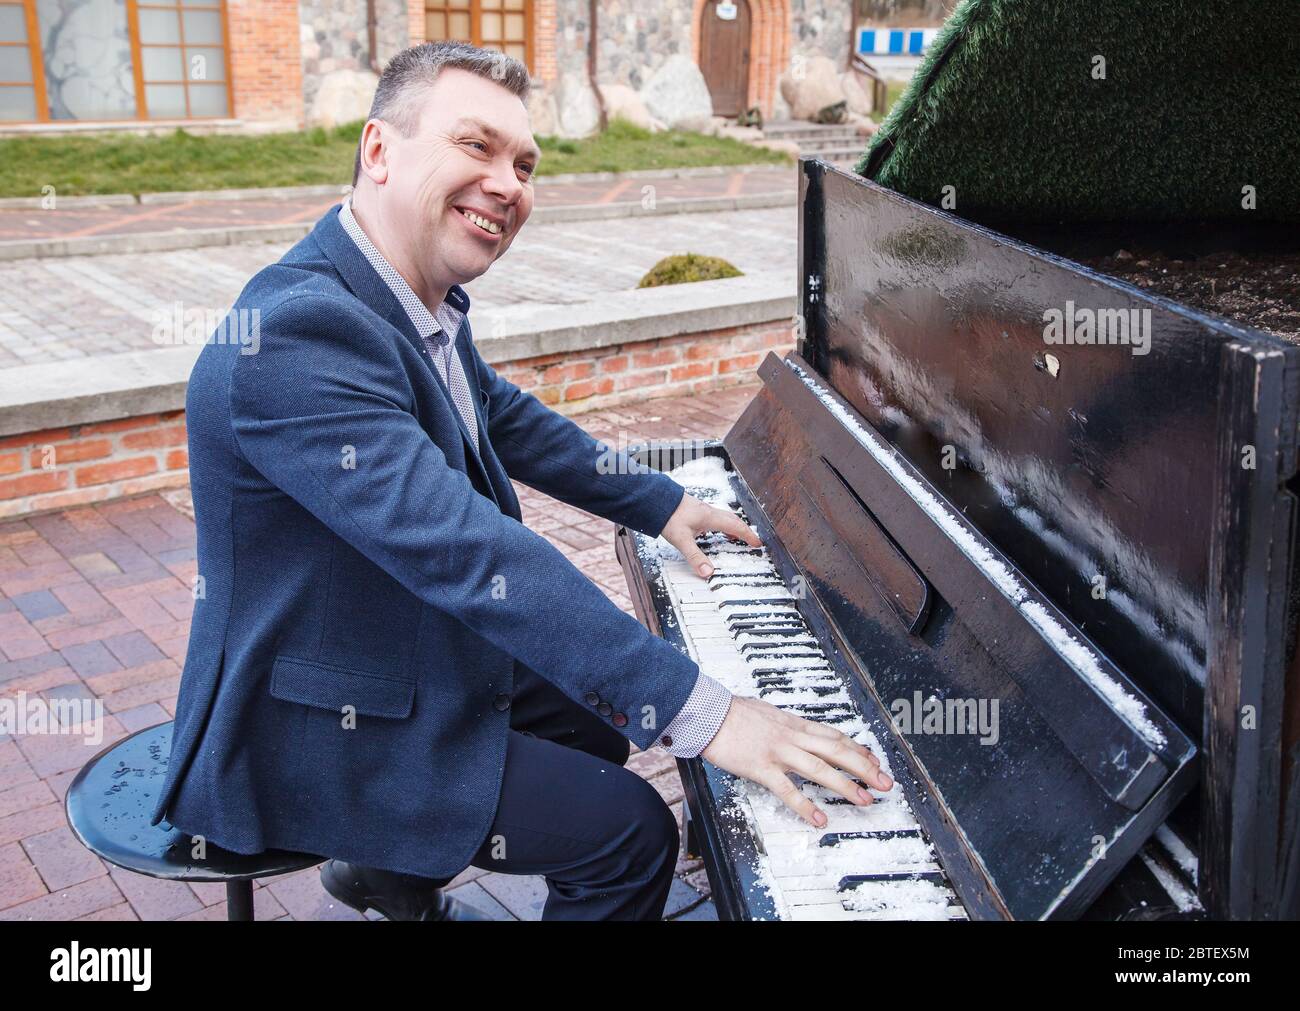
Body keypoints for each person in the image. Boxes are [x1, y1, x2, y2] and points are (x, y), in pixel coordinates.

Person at [150, 41, 890, 921]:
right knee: (629, 836)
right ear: (379, 150)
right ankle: (377, 857)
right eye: (477, 146)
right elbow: (465, 550)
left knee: (596, 718)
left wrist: (659, 501)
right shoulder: (298, 336)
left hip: (390, 643)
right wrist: (716, 715)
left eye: (525, 164)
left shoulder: (399, 292)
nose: (508, 183)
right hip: (306, 720)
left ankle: (383, 877)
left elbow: (500, 415)